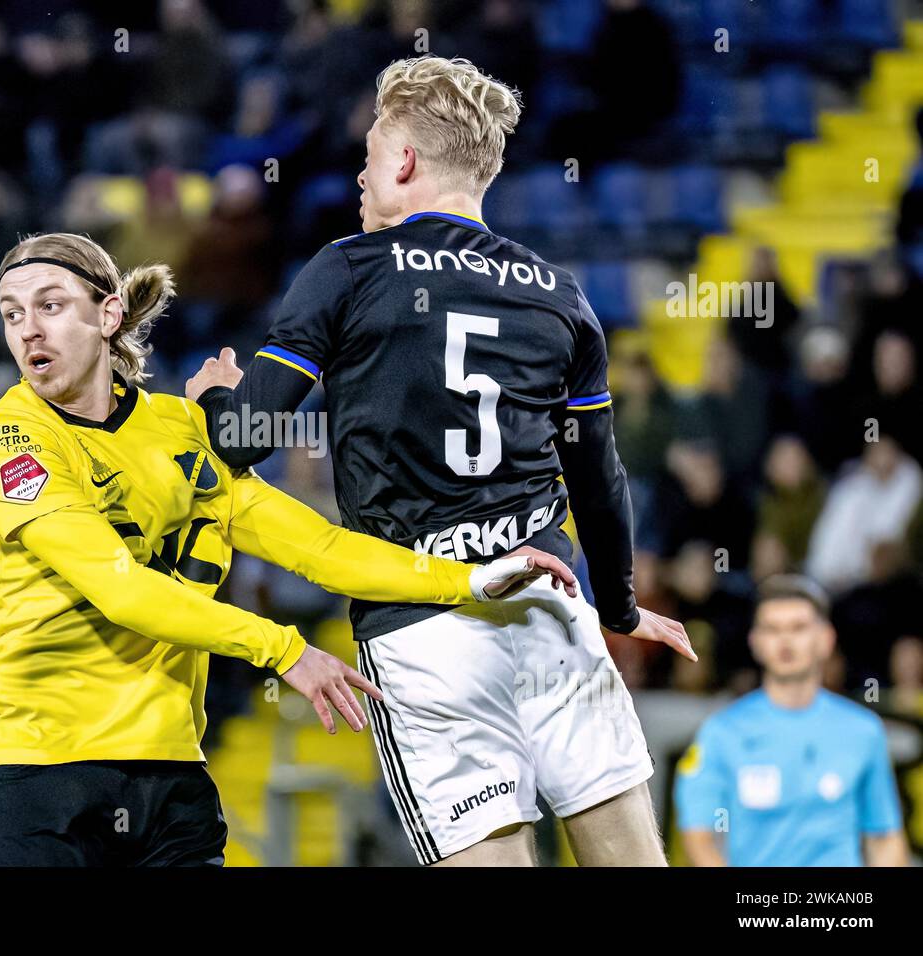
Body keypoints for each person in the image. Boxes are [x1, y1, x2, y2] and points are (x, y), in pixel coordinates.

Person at [186, 55, 695, 866]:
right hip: (550, 608)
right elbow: (600, 478)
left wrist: (215, 397)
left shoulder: (348, 268)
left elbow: (245, 442)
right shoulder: (558, 292)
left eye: (366, 156)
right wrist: (622, 607)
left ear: (405, 161)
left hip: (423, 624)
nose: (358, 177)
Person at [0, 232, 575, 867]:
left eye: (51, 306)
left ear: (108, 315)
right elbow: (121, 590)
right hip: (38, 778)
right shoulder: (3, 443)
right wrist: (283, 650)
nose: (29, 329)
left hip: (170, 776)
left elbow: (319, 546)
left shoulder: (184, 430)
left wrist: (469, 579)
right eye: (12, 313)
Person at [675, 575, 908, 866]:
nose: (785, 640)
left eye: (798, 628)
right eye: (772, 629)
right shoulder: (721, 732)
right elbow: (700, 837)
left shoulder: (863, 731)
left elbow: (884, 836)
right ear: (755, 641)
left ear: (826, 639)